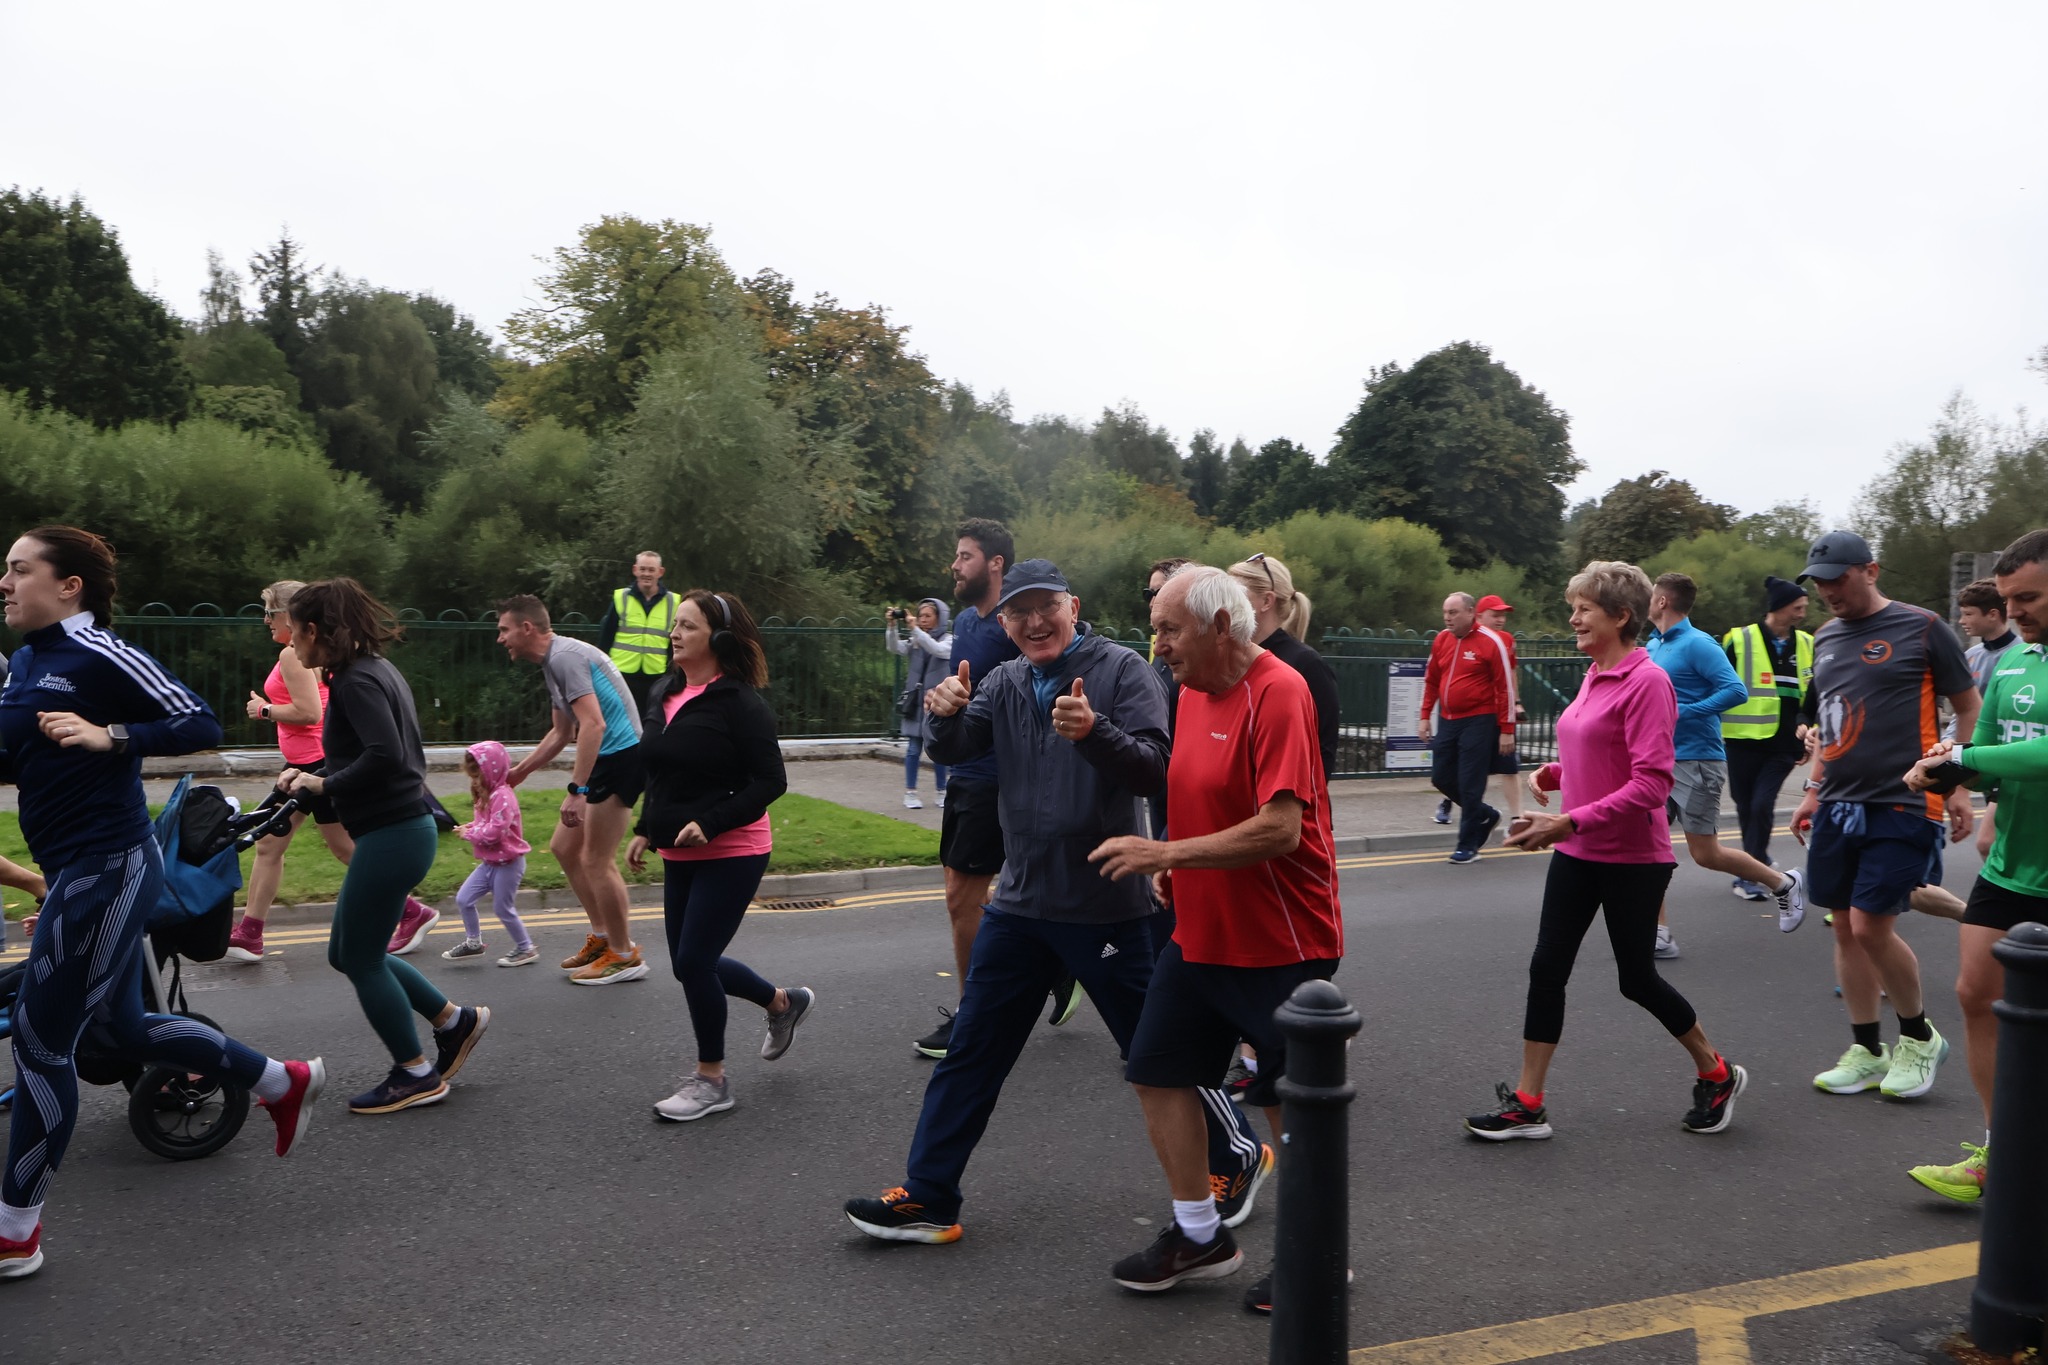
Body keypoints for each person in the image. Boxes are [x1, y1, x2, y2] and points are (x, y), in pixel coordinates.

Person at [843, 560, 1268, 1247]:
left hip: (1105, 905)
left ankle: (1237, 1151)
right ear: (1004, 622)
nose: (1034, 622)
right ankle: (929, 1195)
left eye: (1046, 607)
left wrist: (1093, 730)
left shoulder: (1125, 670)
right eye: (1019, 613)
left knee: (1157, 1054)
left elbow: (1159, 765)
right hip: (1019, 903)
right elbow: (963, 744)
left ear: (1073, 605)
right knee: (973, 1050)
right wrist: (943, 713)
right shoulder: (1008, 679)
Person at [0, 526, 324, 1279]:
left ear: (69, 584)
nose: (5, 583)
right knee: (122, 1025)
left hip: (107, 867)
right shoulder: (28, 660)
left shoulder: (99, 652)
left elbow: (198, 721)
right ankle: (281, 1080)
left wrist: (111, 733)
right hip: (73, 866)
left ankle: (16, 1230)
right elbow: (22, 751)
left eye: (19, 569)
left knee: (45, 1044)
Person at [1089, 565, 1342, 1299]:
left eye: (1169, 628)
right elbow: (1189, 785)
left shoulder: (1280, 691)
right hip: (1200, 929)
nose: (1156, 643)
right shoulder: (1190, 691)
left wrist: (1164, 853)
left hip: (1279, 936)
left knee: (1288, 1097)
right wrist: (1179, 858)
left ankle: (1320, 1253)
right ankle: (1200, 1234)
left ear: (1220, 627)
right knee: (1156, 1069)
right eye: (1156, 626)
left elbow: (1281, 827)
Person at [1467, 561, 1746, 1145]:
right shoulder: (1597, 673)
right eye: (1574, 607)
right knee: (1547, 969)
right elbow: (1599, 749)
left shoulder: (1649, 682)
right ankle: (1528, 1103)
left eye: (1583, 609)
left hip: (1631, 859)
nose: (1573, 618)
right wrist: (1555, 772)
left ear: (1620, 616)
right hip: (1579, 848)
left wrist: (1566, 820)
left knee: (1637, 980)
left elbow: (1651, 782)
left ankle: (1716, 1073)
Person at [279, 578, 489, 1115]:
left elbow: (387, 756)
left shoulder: (355, 682)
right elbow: (365, 755)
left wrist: (324, 785)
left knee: (362, 958)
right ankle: (453, 1021)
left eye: (291, 628)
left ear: (311, 630)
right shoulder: (370, 671)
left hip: (395, 832)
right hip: (394, 830)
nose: (288, 641)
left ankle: (415, 1072)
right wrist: (307, 774)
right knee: (344, 954)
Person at [1790, 531, 1977, 1101]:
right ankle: (1868, 1049)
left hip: (1904, 801)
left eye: (1837, 578)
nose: (1827, 590)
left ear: (1871, 571)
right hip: (1839, 803)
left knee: (1873, 923)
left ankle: (1919, 1038)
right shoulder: (1824, 638)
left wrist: (1958, 782)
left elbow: (1967, 706)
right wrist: (1813, 788)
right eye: (1818, 581)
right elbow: (1829, 723)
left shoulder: (1921, 628)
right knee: (1844, 925)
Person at [628, 590, 813, 1121]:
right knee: (692, 966)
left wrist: (710, 823)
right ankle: (782, 1003)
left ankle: (712, 1079)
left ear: (719, 639)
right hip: (678, 850)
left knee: (693, 961)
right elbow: (660, 770)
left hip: (734, 847)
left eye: (686, 626)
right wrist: (645, 826)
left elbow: (770, 781)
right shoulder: (664, 691)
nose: (674, 634)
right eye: (675, 625)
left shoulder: (740, 704)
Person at [1903, 530, 2048, 1201]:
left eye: (2030, 597)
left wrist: (1968, 763)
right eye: (2010, 598)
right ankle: (2002, 1151)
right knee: (1974, 992)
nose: (2015, 610)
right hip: (2013, 866)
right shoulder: (2016, 664)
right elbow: (1982, 742)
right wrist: (1943, 772)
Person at [915, 519, 1078, 1060]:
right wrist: (945, 701)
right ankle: (1057, 963)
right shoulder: (965, 620)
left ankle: (972, 1018)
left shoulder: (1024, 627)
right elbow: (966, 693)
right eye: (956, 556)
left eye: (965, 556)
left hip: (998, 781)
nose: (955, 566)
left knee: (963, 900)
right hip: (965, 776)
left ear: (995, 564)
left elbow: (1058, 674)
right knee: (991, 898)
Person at [228, 579, 440, 963]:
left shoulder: (299, 658)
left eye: (271, 613)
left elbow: (312, 713)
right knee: (276, 844)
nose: (266, 621)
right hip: (315, 764)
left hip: (316, 764)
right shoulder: (340, 664)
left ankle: (410, 913)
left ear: (296, 620)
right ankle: (250, 931)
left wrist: (264, 711)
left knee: (335, 855)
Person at [1643, 572, 1808, 950]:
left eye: (1652, 595)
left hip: (1697, 760)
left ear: (1663, 601)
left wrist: (1685, 712)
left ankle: (1784, 883)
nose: (1647, 601)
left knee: (1706, 854)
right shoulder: (1653, 645)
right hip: (1657, 761)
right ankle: (1659, 933)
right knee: (1645, 846)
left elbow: (1734, 690)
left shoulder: (1698, 644)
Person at [497, 595, 648, 985]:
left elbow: (593, 725)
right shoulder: (553, 662)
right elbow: (562, 731)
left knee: (597, 860)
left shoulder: (564, 657)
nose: (501, 639)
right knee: (566, 848)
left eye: (504, 629)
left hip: (623, 757)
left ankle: (624, 955)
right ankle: (602, 938)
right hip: (607, 758)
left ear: (526, 628)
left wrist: (577, 790)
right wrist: (521, 771)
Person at [1719, 576, 1816, 904]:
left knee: (1762, 804)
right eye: (1797, 607)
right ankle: (1756, 857)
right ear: (1778, 608)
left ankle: (1751, 872)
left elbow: (1813, 695)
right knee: (1746, 805)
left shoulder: (1806, 643)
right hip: (1741, 740)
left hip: (1784, 744)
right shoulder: (1739, 639)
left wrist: (1807, 726)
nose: (1802, 613)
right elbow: (1717, 684)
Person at [1421, 593, 1516, 863]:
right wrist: (1425, 715)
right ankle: (1485, 813)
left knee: (1471, 782)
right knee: (1440, 777)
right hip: (1448, 719)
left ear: (1471, 612)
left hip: (1480, 719)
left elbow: (1504, 687)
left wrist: (1507, 728)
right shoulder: (1442, 640)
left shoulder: (1490, 642)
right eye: (1445, 612)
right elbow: (1431, 680)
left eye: (1453, 612)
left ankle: (1468, 844)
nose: (1447, 618)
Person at [443, 741, 537, 967]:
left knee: (502, 908)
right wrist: (468, 827)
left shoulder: (502, 796)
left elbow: (495, 832)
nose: (474, 782)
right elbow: (483, 823)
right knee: (464, 899)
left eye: (477, 776)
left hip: (509, 863)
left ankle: (526, 948)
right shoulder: (489, 794)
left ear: (491, 771)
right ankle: (473, 943)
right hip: (490, 863)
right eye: (472, 777)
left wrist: (469, 834)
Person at [1954, 577, 2021, 862]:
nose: (1961, 621)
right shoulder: (1969, 656)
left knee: (1990, 843)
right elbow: (1960, 712)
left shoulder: (2021, 655)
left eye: (1968, 613)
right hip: (1975, 756)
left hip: (2008, 761)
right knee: (1989, 845)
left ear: (1993, 614)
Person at [885, 598, 952, 809]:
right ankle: (910, 792)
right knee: (913, 749)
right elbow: (894, 647)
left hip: (936, 701)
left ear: (939, 618)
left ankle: (942, 791)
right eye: (920, 616)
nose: (923, 620)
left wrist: (915, 630)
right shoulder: (916, 639)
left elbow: (937, 650)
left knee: (939, 749)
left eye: (927, 616)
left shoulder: (949, 639)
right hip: (916, 702)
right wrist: (892, 626)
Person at [596, 550, 682, 712]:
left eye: (651, 570)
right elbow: (606, 638)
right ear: (635, 570)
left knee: (651, 722)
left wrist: (674, 674)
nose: (646, 574)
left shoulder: (674, 602)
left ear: (660, 572)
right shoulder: (621, 598)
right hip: (622, 674)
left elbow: (675, 641)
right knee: (624, 722)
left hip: (656, 676)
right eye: (642, 569)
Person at [1144, 556, 1192, 840]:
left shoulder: (1197, 662)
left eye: (1158, 591)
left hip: (1186, 781)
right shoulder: (1161, 651)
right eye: (1148, 593)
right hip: (1161, 778)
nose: (1151, 600)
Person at [1475, 595, 1527, 822]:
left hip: (1502, 710)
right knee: (1470, 766)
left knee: (1508, 765)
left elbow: (1511, 673)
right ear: (1479, 616)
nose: (1500, 620)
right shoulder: (1469, 638)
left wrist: (1516, 702)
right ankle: (1451, 801)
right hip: (1477, 714)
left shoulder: (1507, 639)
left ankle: (1516, 817)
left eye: (1502, 615)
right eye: (1494, 615)